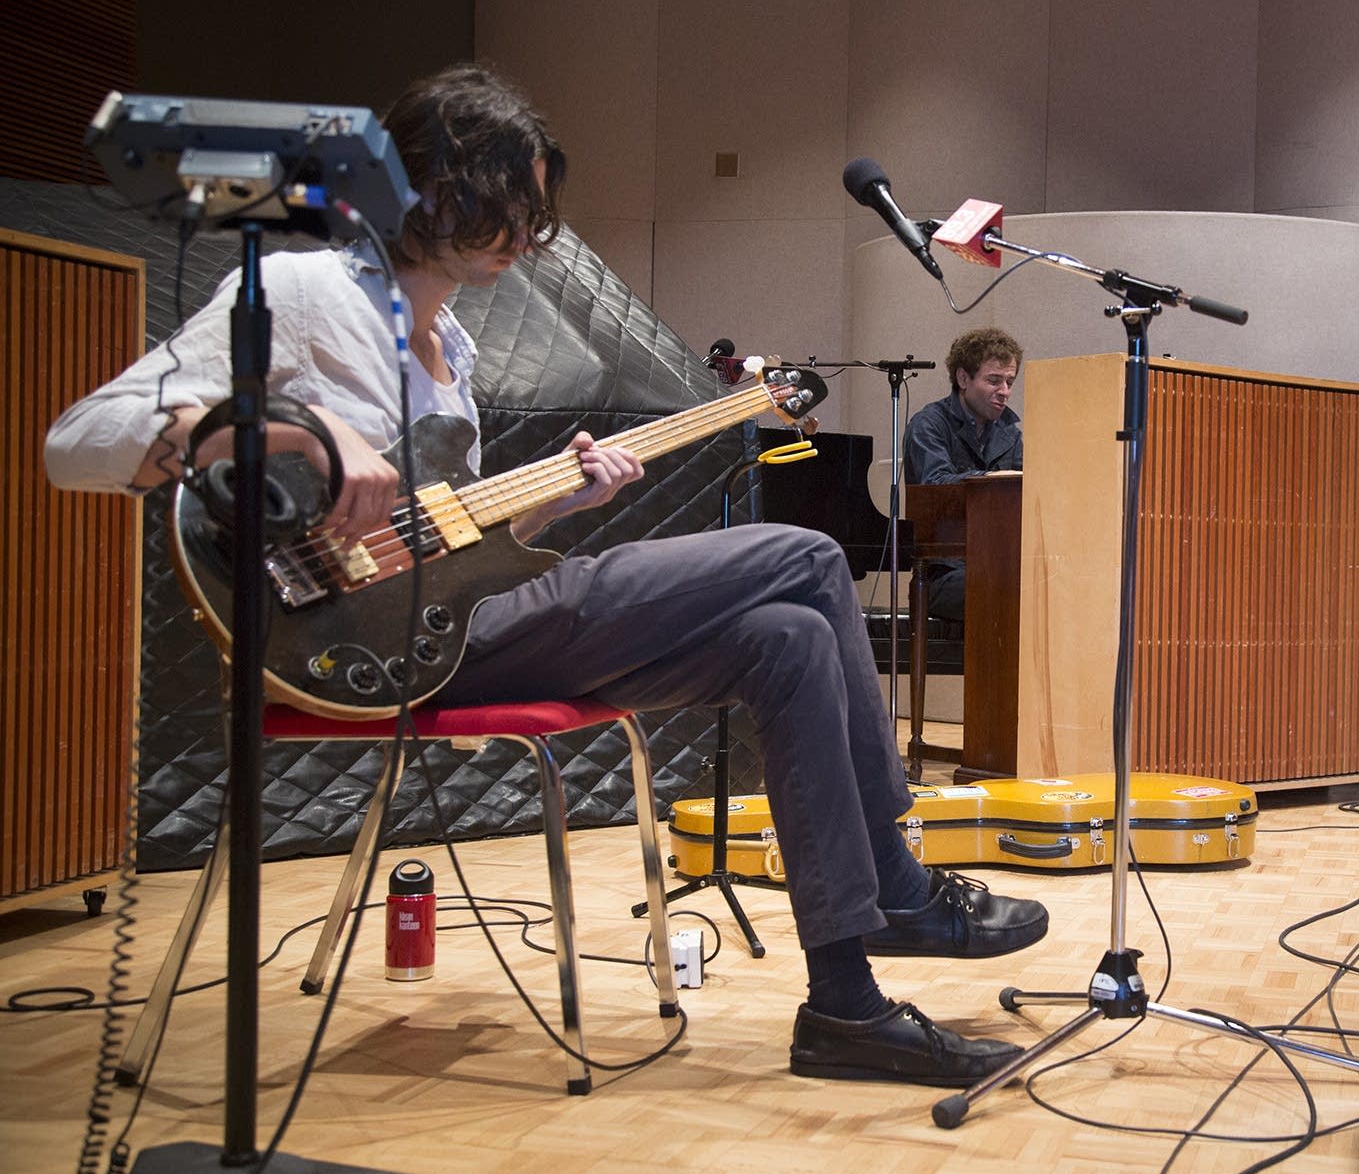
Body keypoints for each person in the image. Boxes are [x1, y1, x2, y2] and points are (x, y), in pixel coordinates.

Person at [44, 62, 1048, 1088]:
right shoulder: (304, 293)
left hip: (454, 623)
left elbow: (452, 545)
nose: (526, 236)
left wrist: (554, 505)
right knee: (806, 555)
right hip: (355, 641)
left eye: (534, 214)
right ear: (432, 188)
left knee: (785, 639)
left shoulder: (455, 347)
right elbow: (78, 439)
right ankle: (898, 883)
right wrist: (306, 430)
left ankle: (843, 1006)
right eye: (509, 207)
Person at [901, 327, 1023, 620]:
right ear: (963, 378)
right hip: (943, 574)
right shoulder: (928, 425)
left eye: (1009, 382)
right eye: (993, 380)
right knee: (1009, 586)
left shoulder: (1010, 434)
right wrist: (993, 480)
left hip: (996, 561)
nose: (1005, 391)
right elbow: (936, 485)